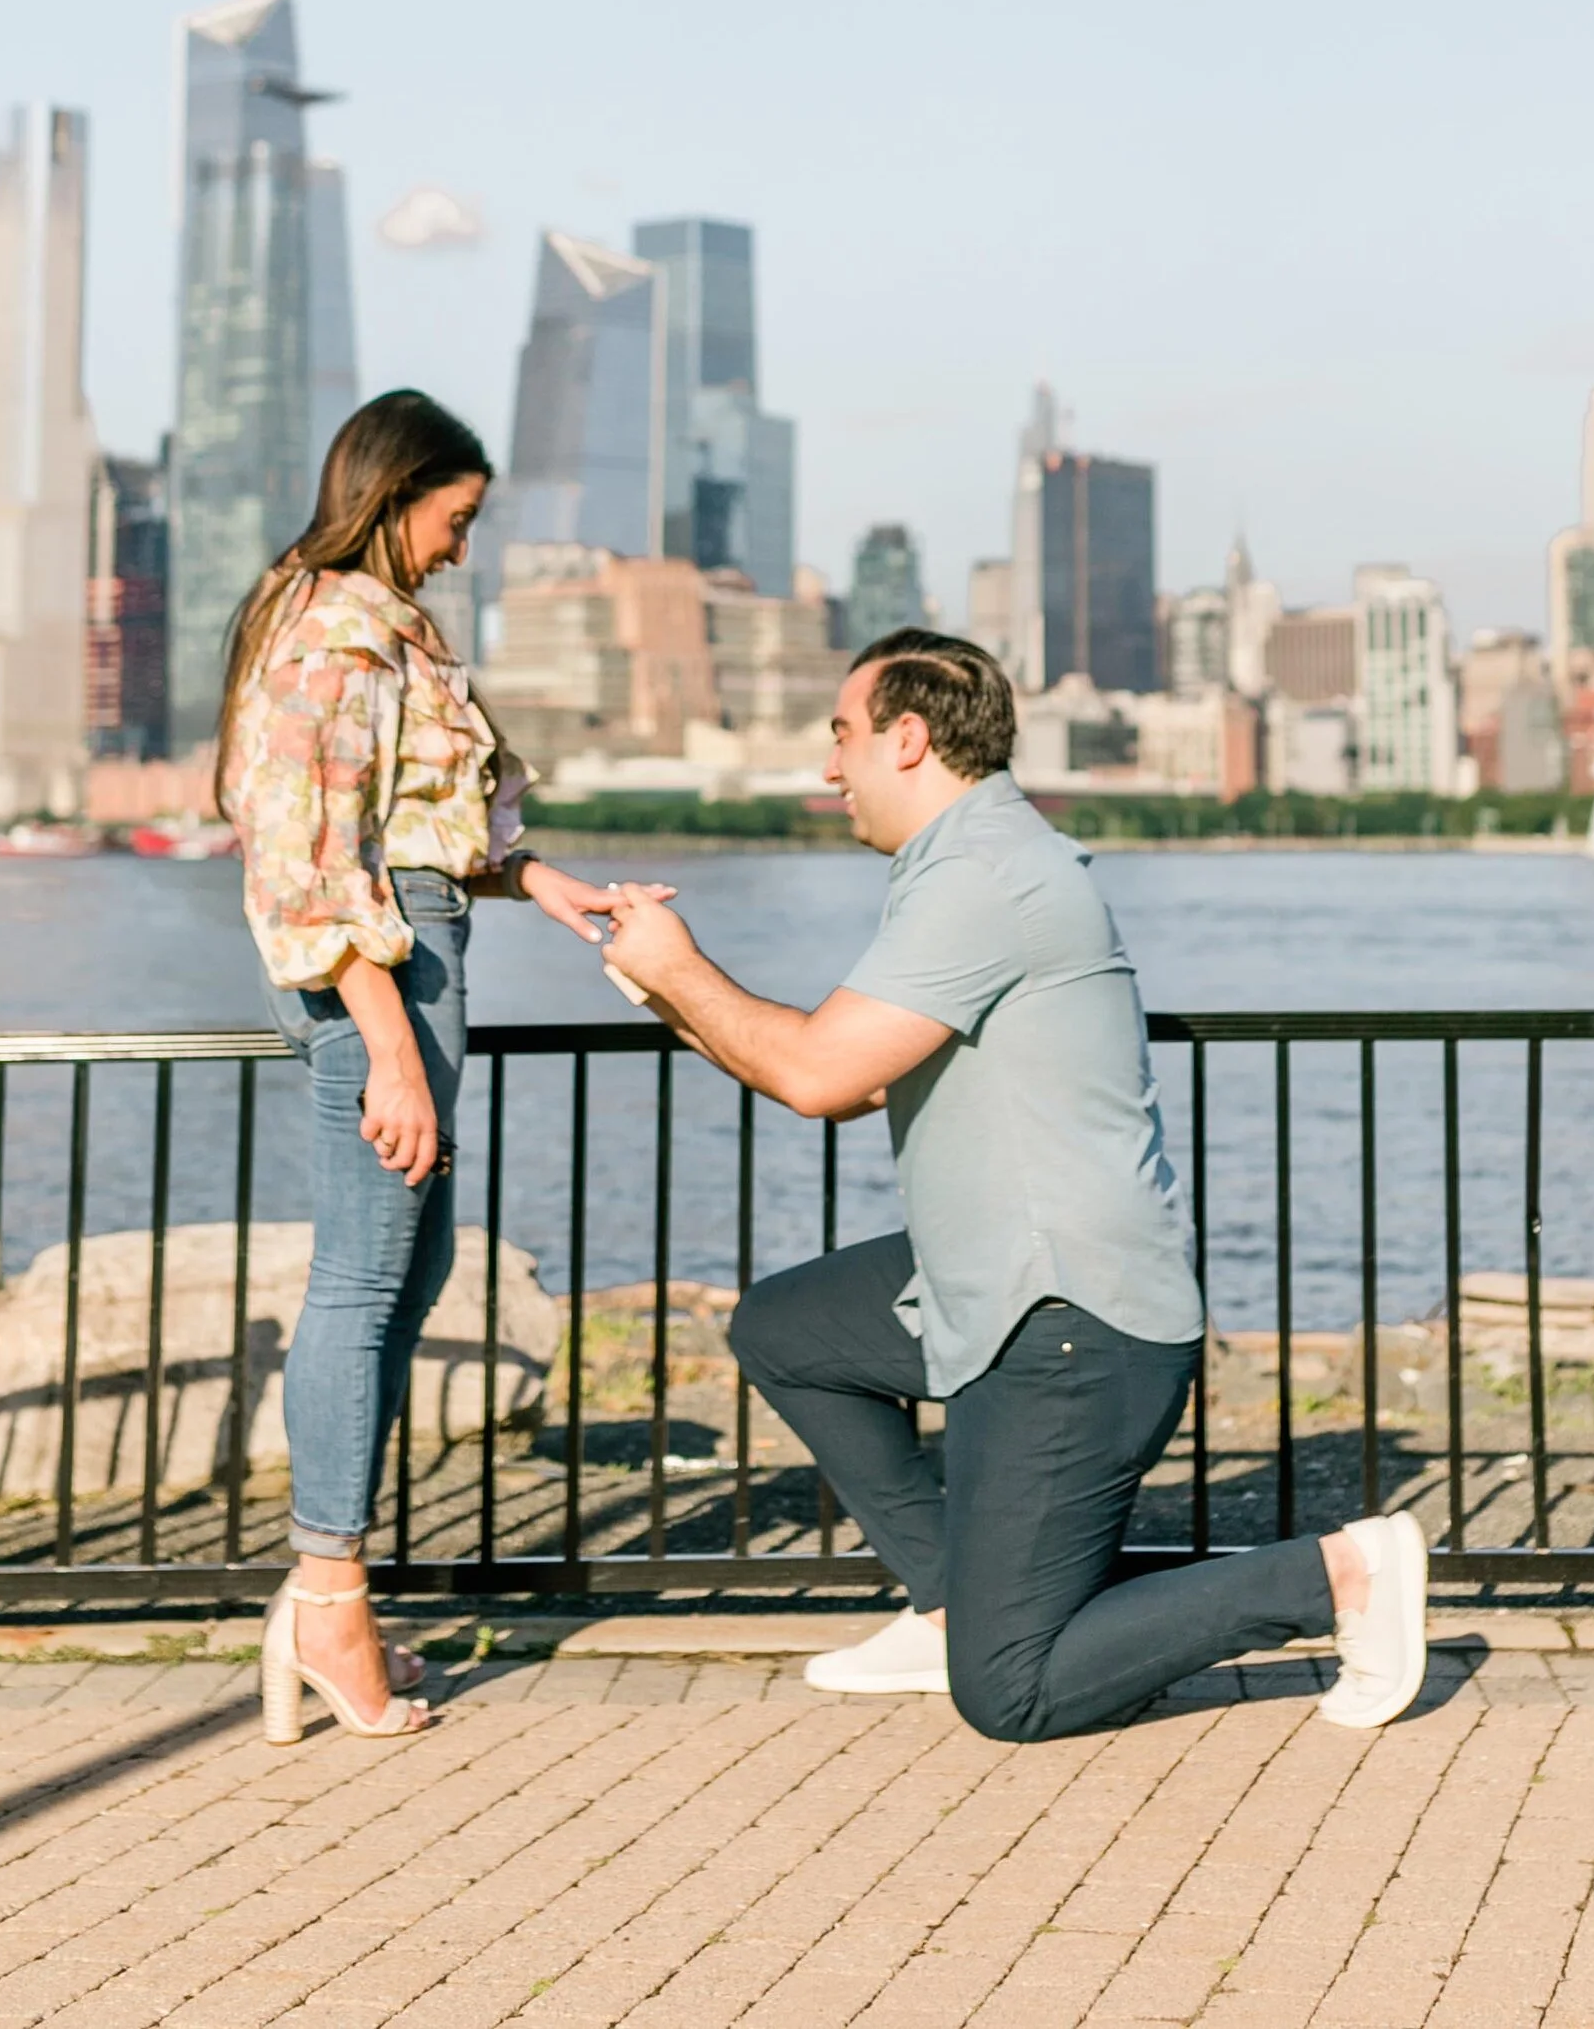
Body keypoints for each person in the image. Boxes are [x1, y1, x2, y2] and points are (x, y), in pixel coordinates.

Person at [599, 628, 1427, 1745]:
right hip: (995, 1284)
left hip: (1070, 1321)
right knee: (788, 1329)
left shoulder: (985, 877)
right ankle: (951, 1605)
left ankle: (1337, 1575)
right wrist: (662, 988)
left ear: (907, 737)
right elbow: (846, 1085)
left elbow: (814, 1074)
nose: (829, 768)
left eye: (841, 737)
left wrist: (680, 968)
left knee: (1013, 1694)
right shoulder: (962, 866)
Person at [219, 387, 638, 1743]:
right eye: (455, 518)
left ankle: (324, 1591)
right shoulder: (334, 631)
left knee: (406, 1269)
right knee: (362, 1279)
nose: (464, 545)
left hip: (414, 950)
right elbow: (309, 859)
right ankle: (328, 1597)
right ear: (393, 496)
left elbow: (428, 827)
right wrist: (390, 1045)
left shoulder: (377, 624)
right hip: (381, 970)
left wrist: (545, 881)